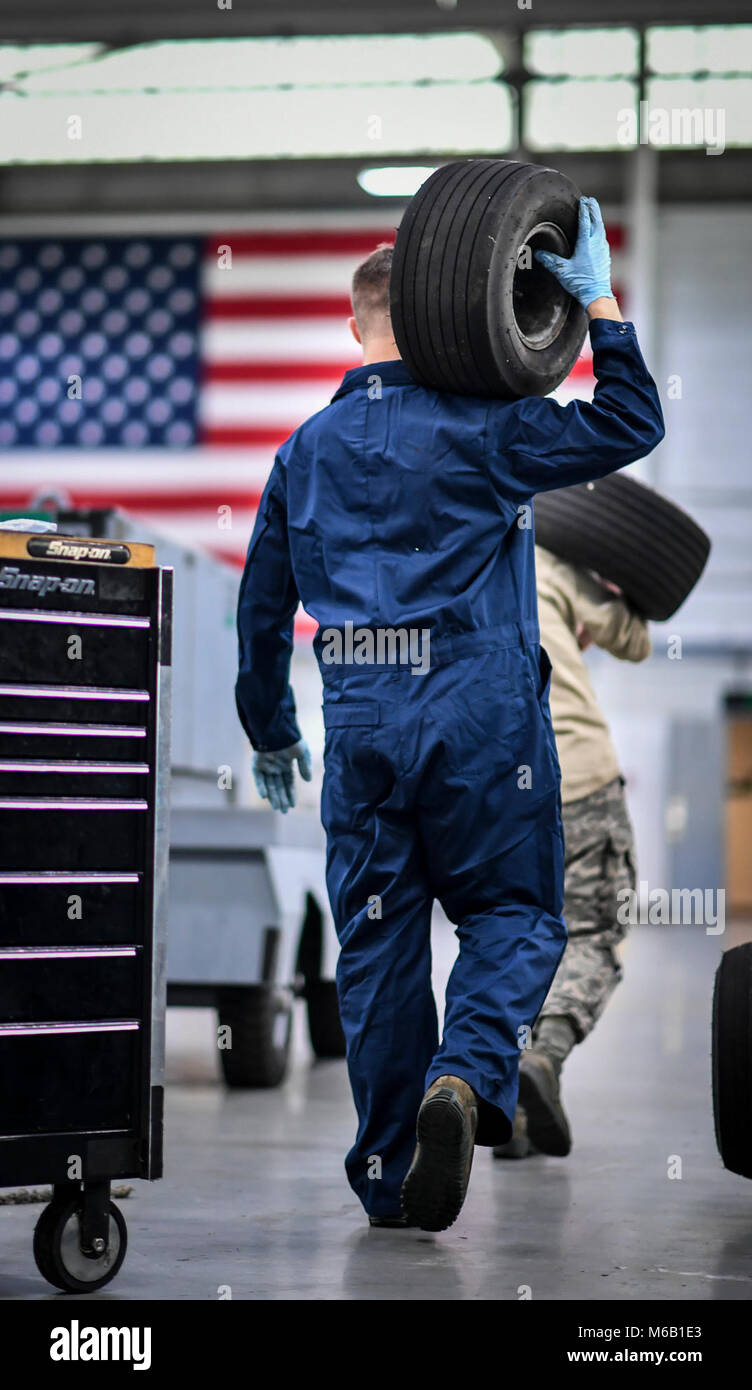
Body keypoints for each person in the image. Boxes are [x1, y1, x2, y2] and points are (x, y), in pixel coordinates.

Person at [235, 197, 664, 1232]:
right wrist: (595, 302)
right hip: (481, 720)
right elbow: (630, 423)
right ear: (449, 317)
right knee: (515, 914)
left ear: (354, 327)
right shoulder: (488, 426)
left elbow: (257, 607)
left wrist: (270, 730)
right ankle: (466, 1077)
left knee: (376, 951)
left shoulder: (303, 450)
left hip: (364, 722)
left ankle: (387, 1179)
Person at [494, 546, 650, 1161]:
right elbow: (635, 640)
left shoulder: (448, 560)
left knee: (508, 939)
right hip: (576, 777)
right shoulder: (551, 562)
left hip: (493, 791)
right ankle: (543, 1057)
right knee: (592, 934)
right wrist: (615, 593)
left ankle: (506, 1106)